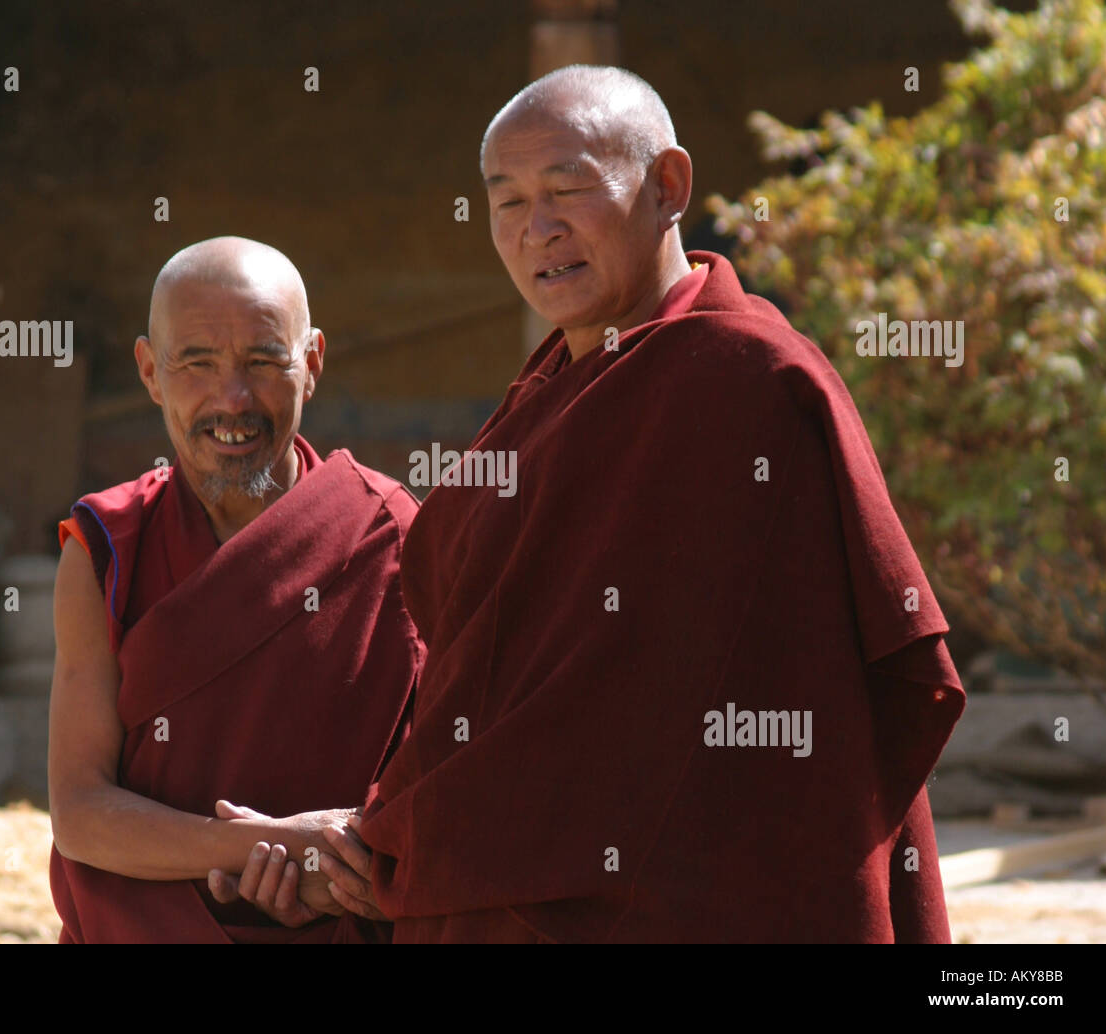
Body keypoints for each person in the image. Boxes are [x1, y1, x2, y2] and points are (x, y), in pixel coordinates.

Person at [323, 65, 966, 942]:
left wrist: (418, 837)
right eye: (505, 202)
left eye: (568, 188)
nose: (535, 229)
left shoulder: (745, 382)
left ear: (667, 186)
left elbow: (649, 707)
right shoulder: (558, 380)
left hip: (682, 893)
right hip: (502, 868)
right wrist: (398, 827)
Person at [47, 237, 422, 943]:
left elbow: (434, 783)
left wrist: (344, 869)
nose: (232, 400)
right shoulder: (105, 548)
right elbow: (81, 812)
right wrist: (268, 849)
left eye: (262, 360)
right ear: (151, 372)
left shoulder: (390, 535)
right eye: (196, 363)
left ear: (310, 365)